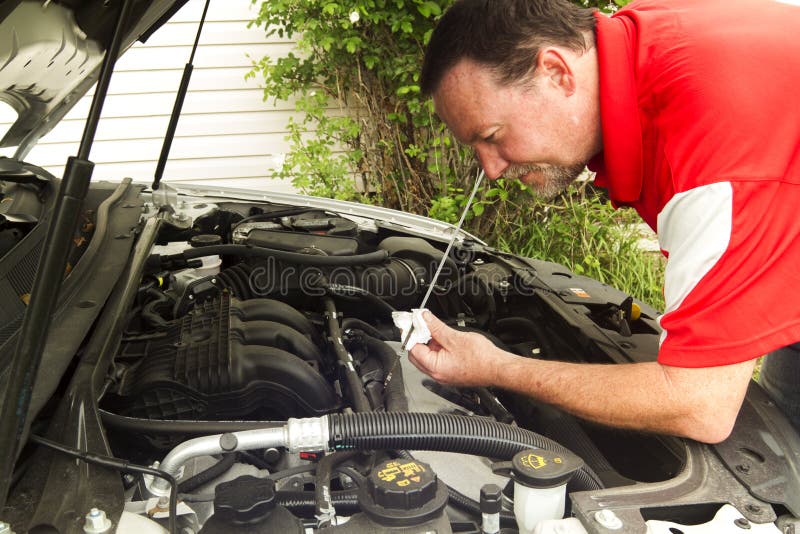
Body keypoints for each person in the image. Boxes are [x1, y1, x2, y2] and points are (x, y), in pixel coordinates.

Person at [409, 0, 800, 444]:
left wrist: (498, 367)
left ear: (557, 72)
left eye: (492, 136)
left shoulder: (716, 159)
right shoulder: (637, 38)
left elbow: (701, 405)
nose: (491, 170)